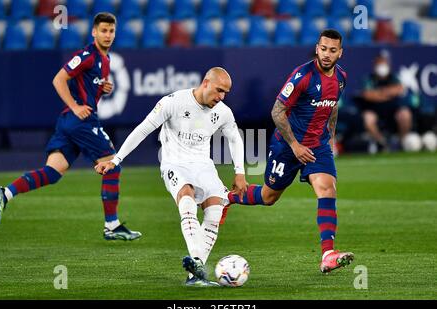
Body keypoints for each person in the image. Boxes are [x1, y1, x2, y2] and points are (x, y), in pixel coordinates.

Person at [0, 12, 141, 241]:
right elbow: (58, 79)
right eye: (103, 30)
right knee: (112, 164)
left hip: (69, 123)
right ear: (94, 32)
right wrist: (75, 106)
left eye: (111, 31)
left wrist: (103, 87)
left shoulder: (105, 60)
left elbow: (89, 85)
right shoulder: (87, 55)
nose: (107, 35)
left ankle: (5, 193)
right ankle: (112, 225)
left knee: (52, 173)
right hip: (80, 120)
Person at [95, 67, 247, 286]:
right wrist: (116, 160)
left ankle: (195, 275)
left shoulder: (223, 112)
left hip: (204, 166)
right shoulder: (173, 102)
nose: (221, 97)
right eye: (219, 90)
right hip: (175, 164)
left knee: (215, 212)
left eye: (226, 93)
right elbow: (143, 129)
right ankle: (196, 263)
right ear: (205, 83)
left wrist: (239, 172)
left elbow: (235, 139)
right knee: (186, 198)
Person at [220, 29, 354, 274]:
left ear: (340, 53)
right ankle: (226, 198)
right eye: (323, 49)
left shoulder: (341, 78)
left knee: (327, 188)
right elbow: (277, 111)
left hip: (317, 146)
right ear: (317, 48)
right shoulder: (302, 75)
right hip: (287, 146)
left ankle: (328, 254)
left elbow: (332, 107)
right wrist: (294, 146)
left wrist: (330, 138)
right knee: (269, 197)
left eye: (332, 50)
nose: (326, 54)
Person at [356, 50, 413, 152]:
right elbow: (368, 95)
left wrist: (380, 93)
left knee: (405, 114)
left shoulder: (394, 77)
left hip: (393, 109)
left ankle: (402, 142)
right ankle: (382, 144)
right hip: (375, 110)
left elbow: (399, 89)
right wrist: (388, 93)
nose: (382, 65)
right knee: (368, 118)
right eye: (379, 62)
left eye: (384, 62)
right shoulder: (369, 78)